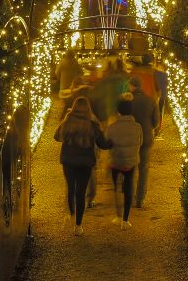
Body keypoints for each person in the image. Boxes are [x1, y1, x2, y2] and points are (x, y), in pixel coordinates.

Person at [54, 96, 110, 235]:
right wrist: (113, 141)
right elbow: (103, 144)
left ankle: (71, 213)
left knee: (70, 188)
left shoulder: (67, 121)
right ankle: (78, 225)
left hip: (68, 160)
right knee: (81, 192)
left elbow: (56, 137)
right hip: (85, 162)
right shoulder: (92, 124)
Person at [104, 98, 143, 229]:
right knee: (128, 188)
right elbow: (140, 142)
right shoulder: (138, 127)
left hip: (116, 161)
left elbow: (106, 142)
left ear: (118, 112)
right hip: (131, 162)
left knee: (116, 188)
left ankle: (118, 215)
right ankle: (126, 220)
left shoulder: (112, 128)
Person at [129, 76, 160, 209]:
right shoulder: (150, 100)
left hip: (131, 138)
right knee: (143, 168)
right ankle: (140, 198)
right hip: (146, 138)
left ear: (132, 86)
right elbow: (156, 121)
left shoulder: (128, 101)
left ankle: (128, 196)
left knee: (129, 168)